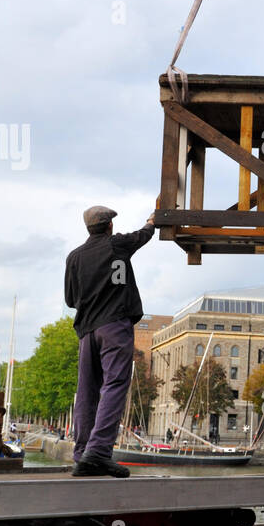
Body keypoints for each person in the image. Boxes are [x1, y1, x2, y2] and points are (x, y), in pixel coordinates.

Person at [64, 204, 155, 477]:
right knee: (115, 384)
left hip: (87, 332)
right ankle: (99, 452)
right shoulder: (117, 245)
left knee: (87, 391)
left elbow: (71, 300)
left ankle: (82, 455)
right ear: (109, 226)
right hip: (114, 325)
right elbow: (144, 235)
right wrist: (152, 220)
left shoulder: (74, 257)